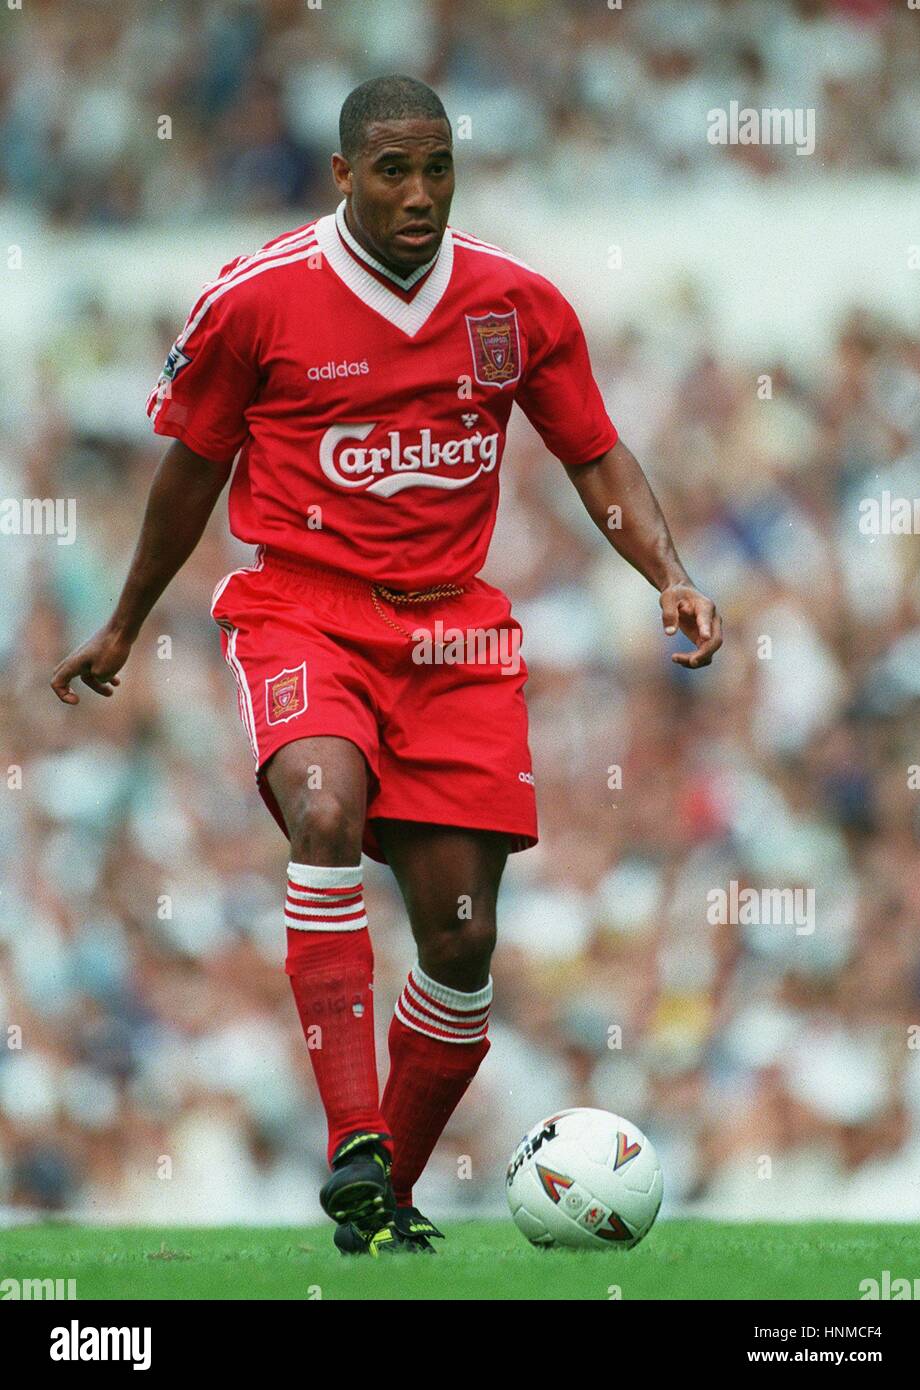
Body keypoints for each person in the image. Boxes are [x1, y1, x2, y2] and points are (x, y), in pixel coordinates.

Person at [51, 75, 722, 1256]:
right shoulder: (254, 302)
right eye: (395, 171)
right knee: (321, 804)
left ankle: (380, 1204)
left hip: (455, 634)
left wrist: (663, 571)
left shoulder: (517, 304)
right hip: (303, 608)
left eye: (438, 170)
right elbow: (190, 474)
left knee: (460, 941)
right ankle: (352, 1134)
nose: (420, 195)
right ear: (343, 175)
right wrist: (124, 619)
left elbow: (596, 456)